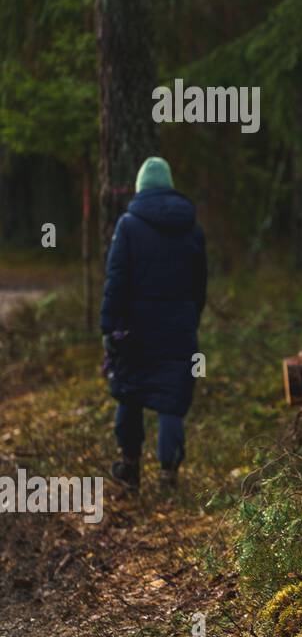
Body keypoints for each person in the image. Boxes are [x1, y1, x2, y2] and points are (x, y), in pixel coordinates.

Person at [100, 157, 207, 490]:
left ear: (140, 187)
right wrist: (192, 318)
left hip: (135, 330)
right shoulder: (192, 228)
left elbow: (115, 281)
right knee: (171, 400)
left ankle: (130, 467)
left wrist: (108, 327)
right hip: (178, 329)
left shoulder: (128, 225)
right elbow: (200, 283)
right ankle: (168, 474)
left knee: (130, 394)